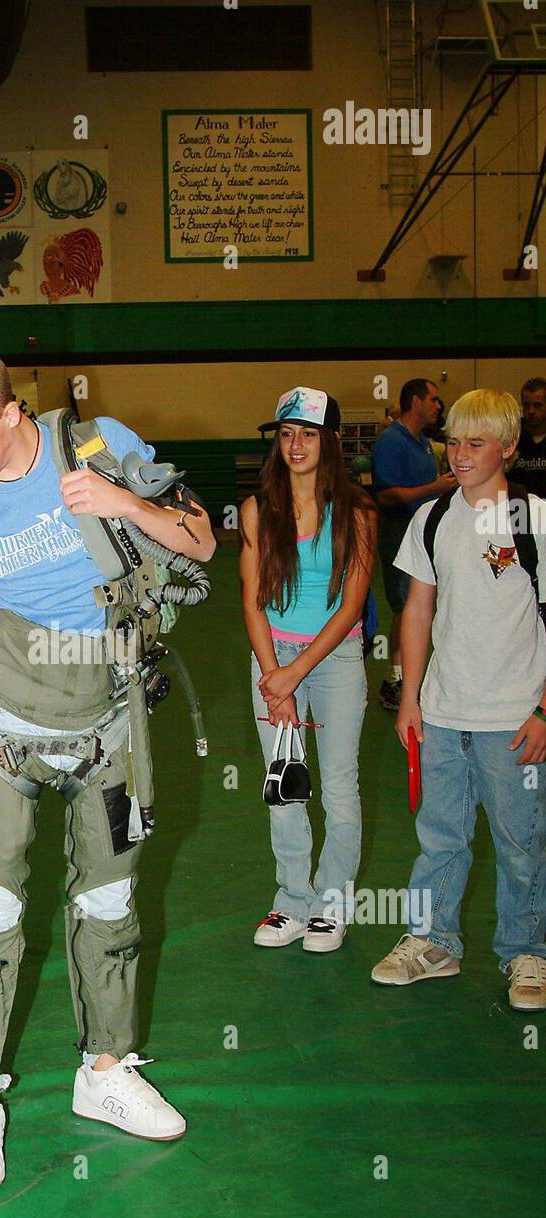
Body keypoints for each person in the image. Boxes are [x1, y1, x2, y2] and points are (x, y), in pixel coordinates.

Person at [0, 347, 216, 1190]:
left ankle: (105, 1073)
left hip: (110, 726)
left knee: (110, 901)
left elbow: (203, 540)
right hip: (4, 735)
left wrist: (121, 503)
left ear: (10, 414)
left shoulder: (98, 445)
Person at [372, 389, 546, 1011]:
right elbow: (417, 610)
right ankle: (432, 940)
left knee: (521, 843)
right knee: (439, 835)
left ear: (508, 446)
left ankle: (528, 951)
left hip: (513, 718)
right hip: (443, 714)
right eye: (453, 442)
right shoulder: (433, 518)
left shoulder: (535, 520)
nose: (461, 455)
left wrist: (543, 709)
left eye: (476, 443)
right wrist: (410, 697)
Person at [240, 387, 377, 953]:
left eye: (309, 433)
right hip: (272, 659)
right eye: (287, 433)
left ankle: (331, 905)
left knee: (339, 786)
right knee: (284, 786)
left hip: (335, 657)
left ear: (332, 441)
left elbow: (351, 605)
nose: (296, 444)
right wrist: (275, 675)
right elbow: (251, 601)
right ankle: (291, 900)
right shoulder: (256, 510)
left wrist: (294, 676)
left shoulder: (359, 512)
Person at [371, 378, 456, 711]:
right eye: (434, 399)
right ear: (416, 401)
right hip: (399, 536)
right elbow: (387, 494)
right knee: (405, 607)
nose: (439, 405)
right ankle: (396, 680)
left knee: (419, 606)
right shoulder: (391, 441)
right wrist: (434, 487)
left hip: (425, 538)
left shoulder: (422, 442)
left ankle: (411, 676)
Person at [509, 376, 546, 496]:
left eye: (537, 405)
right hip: (517, 506)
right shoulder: (512, 434)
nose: (531, 411)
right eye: (526, 405)